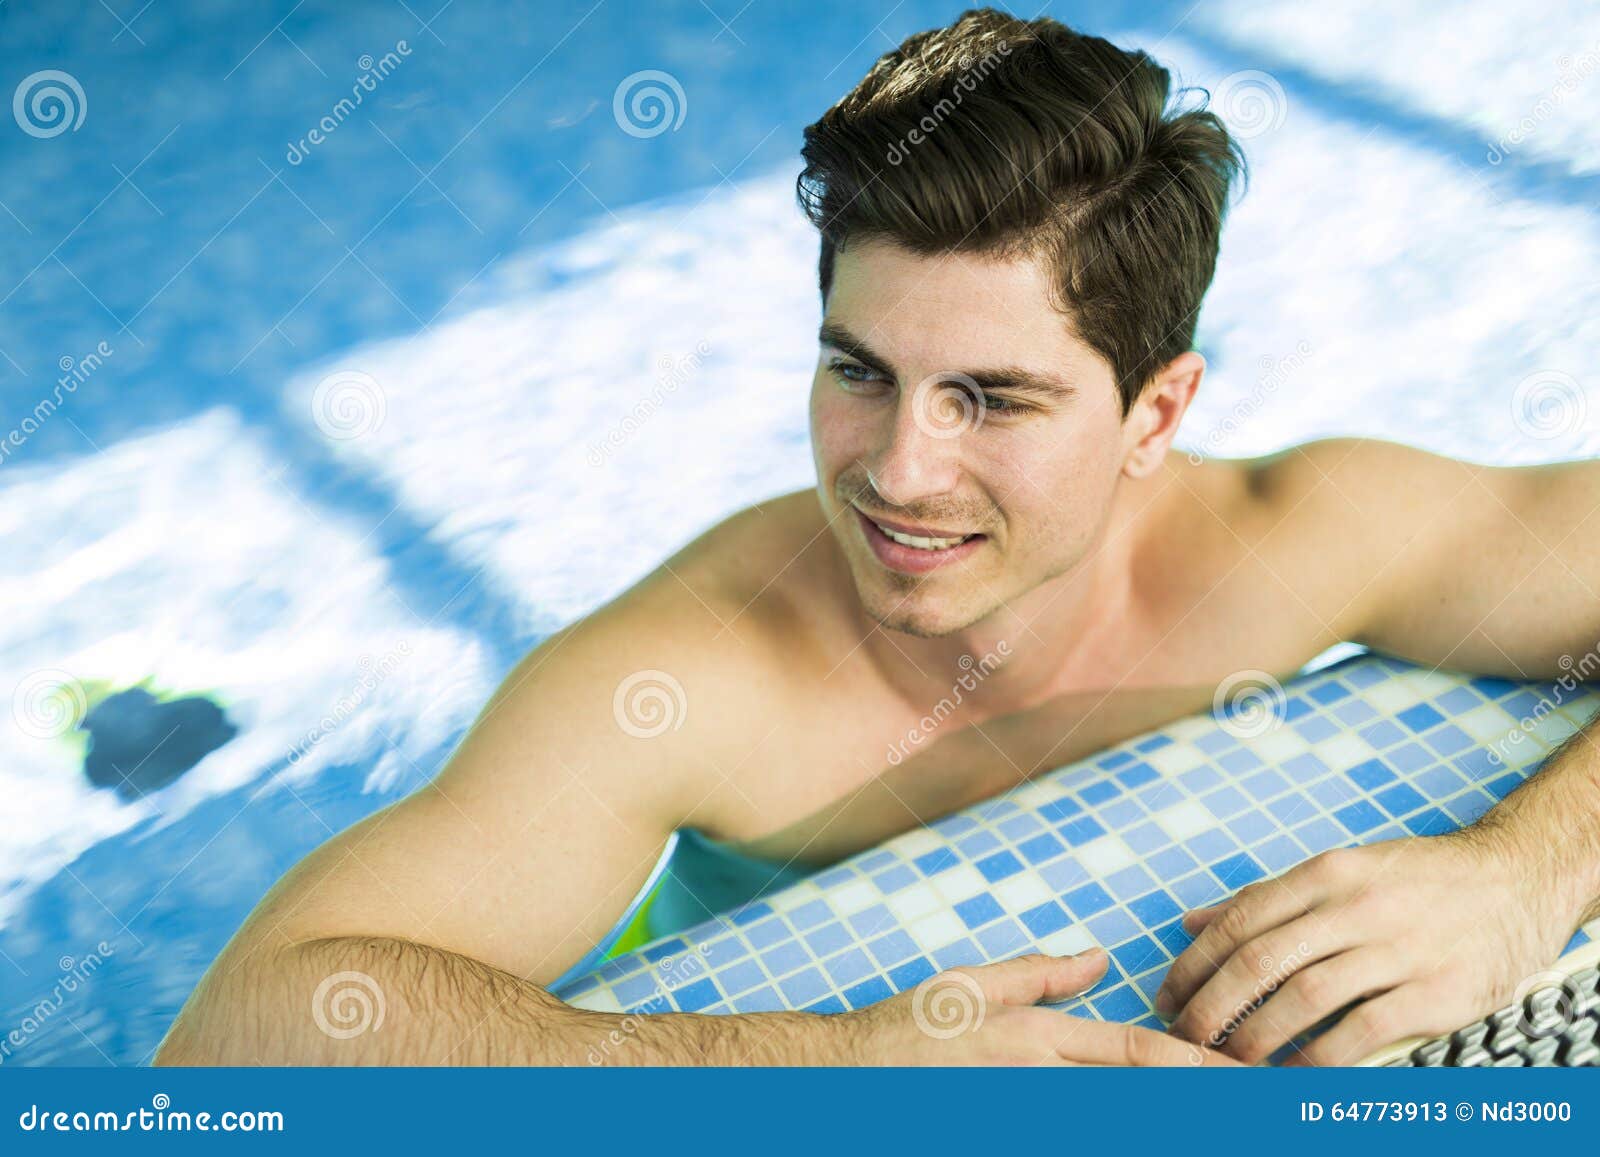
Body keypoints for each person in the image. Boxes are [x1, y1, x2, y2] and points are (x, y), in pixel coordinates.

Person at [155, 7, 1600, 1067]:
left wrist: (1523, 874)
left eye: (993, 398)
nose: (899, 474)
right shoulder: (697, 671)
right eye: (861, 372)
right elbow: (237, 1038)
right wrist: (827, 1065)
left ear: (1156, 413)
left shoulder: (1307, 540)